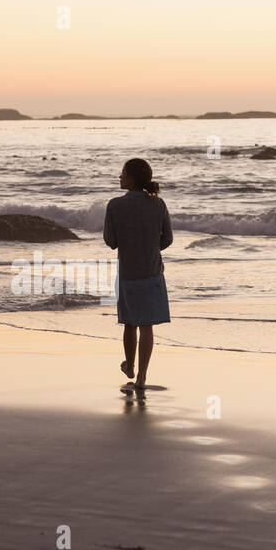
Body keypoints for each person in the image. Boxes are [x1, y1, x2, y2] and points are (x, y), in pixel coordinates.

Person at [103, 158, 172, 393]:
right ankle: (141, 377)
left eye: (122, 174)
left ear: (131, 179)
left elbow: (110, 241)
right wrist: (150, 249)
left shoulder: (114, 205)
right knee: (147, 326)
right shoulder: (158, 204)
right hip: (152, 272)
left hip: (128, 274)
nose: (119, 177)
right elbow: (168, 239)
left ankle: (129, 366)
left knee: (130, 323)